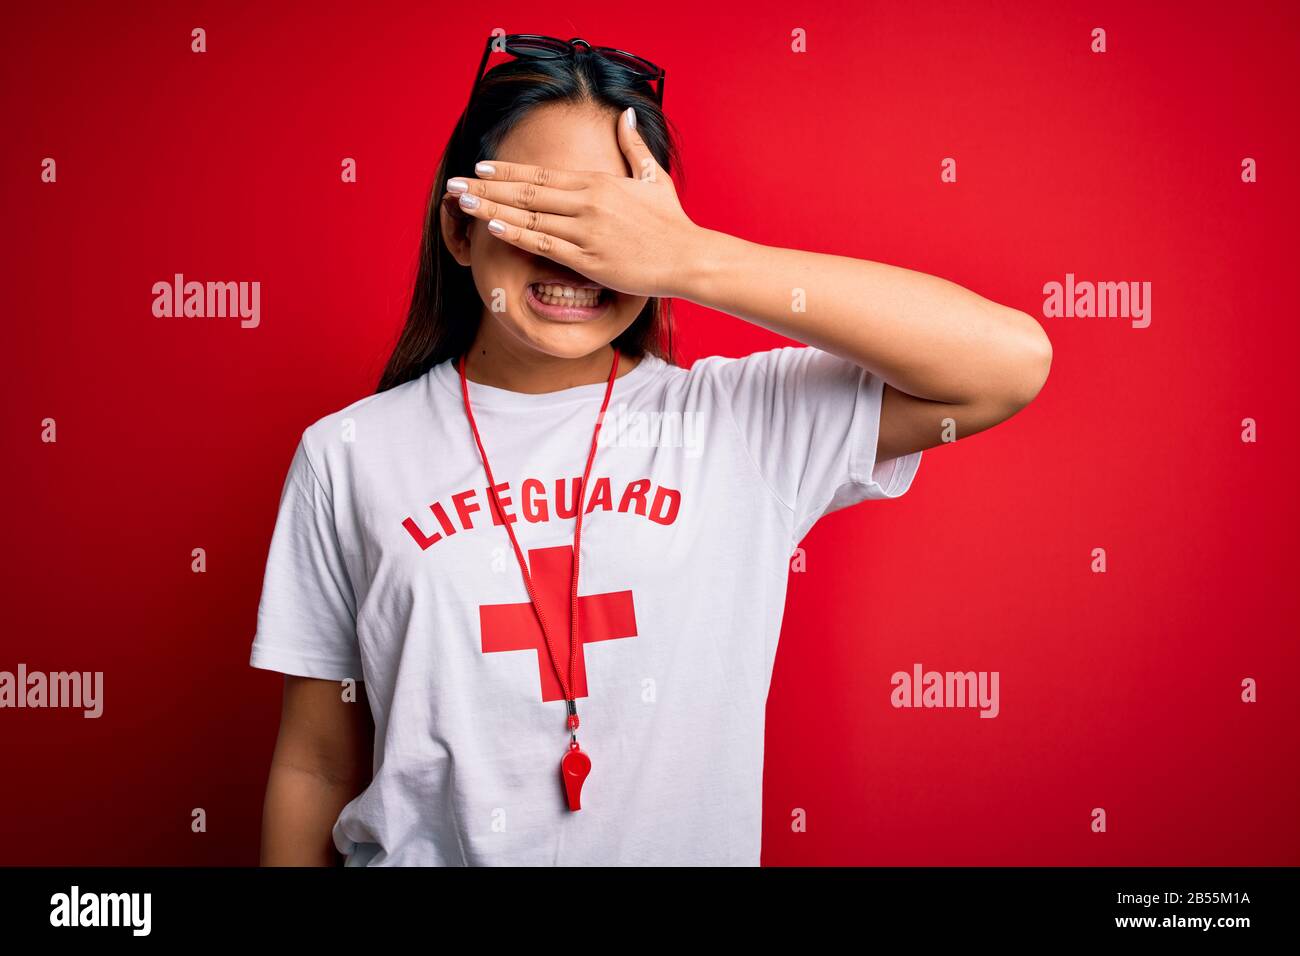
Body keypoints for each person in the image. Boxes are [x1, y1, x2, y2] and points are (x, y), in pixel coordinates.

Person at [250, 35, 1051, 866]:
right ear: (460, 228)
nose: (575, 255)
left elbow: (1008, 363)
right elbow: (316, 763)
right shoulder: (347, 453)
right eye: (544, 215)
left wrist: (691, 258)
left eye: (611, 225)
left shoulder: (740, 422)